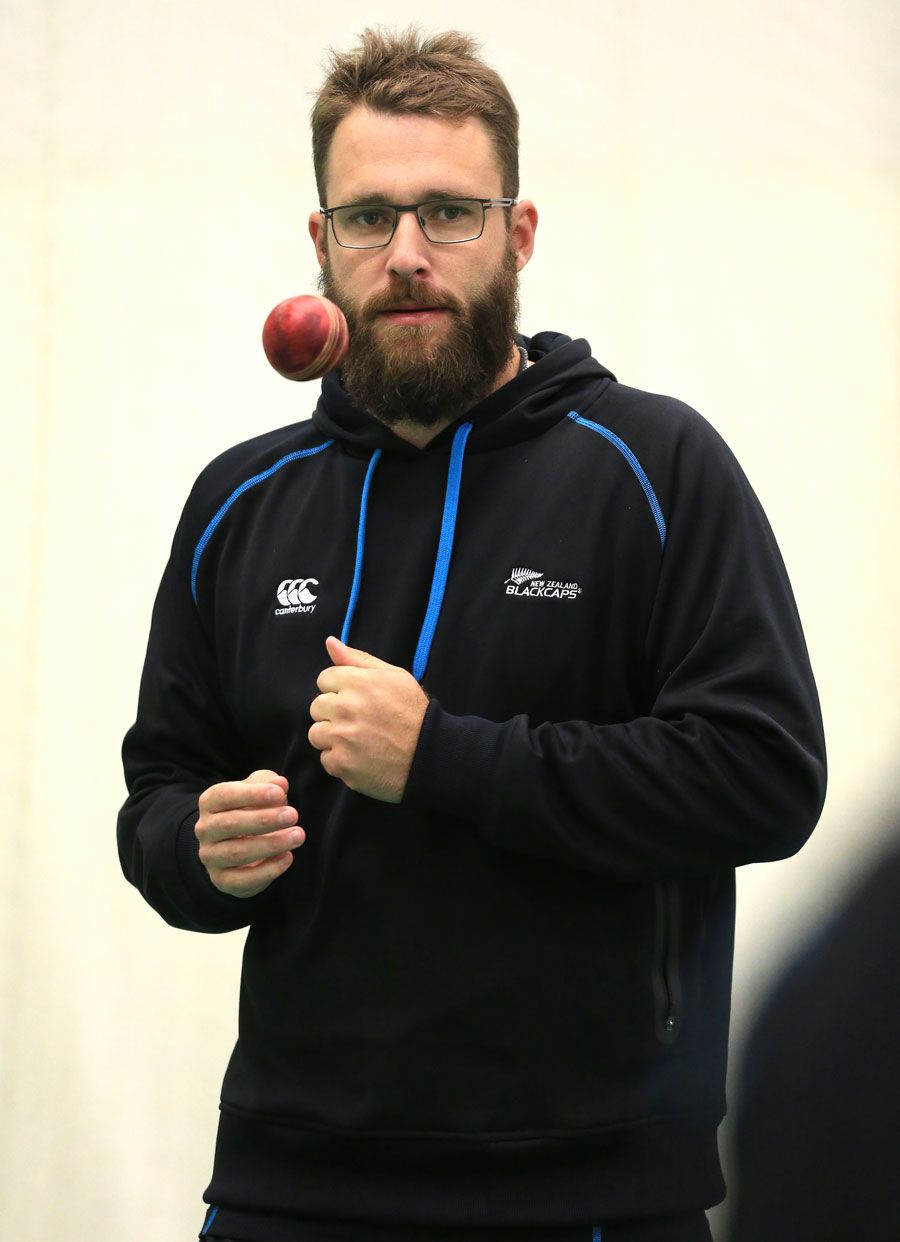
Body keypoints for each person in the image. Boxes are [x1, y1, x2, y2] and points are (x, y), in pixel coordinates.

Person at [117, 27, 827, 1242]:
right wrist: (194, 848)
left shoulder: (652, 469)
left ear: (520, 232)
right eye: (368, 218)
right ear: (320, 243)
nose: (406, 256)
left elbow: (764, 778)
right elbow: (157, 793)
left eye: (449, 213)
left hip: (593, 1191)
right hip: (289, 1187)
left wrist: (444, 755)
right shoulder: (239, 500)